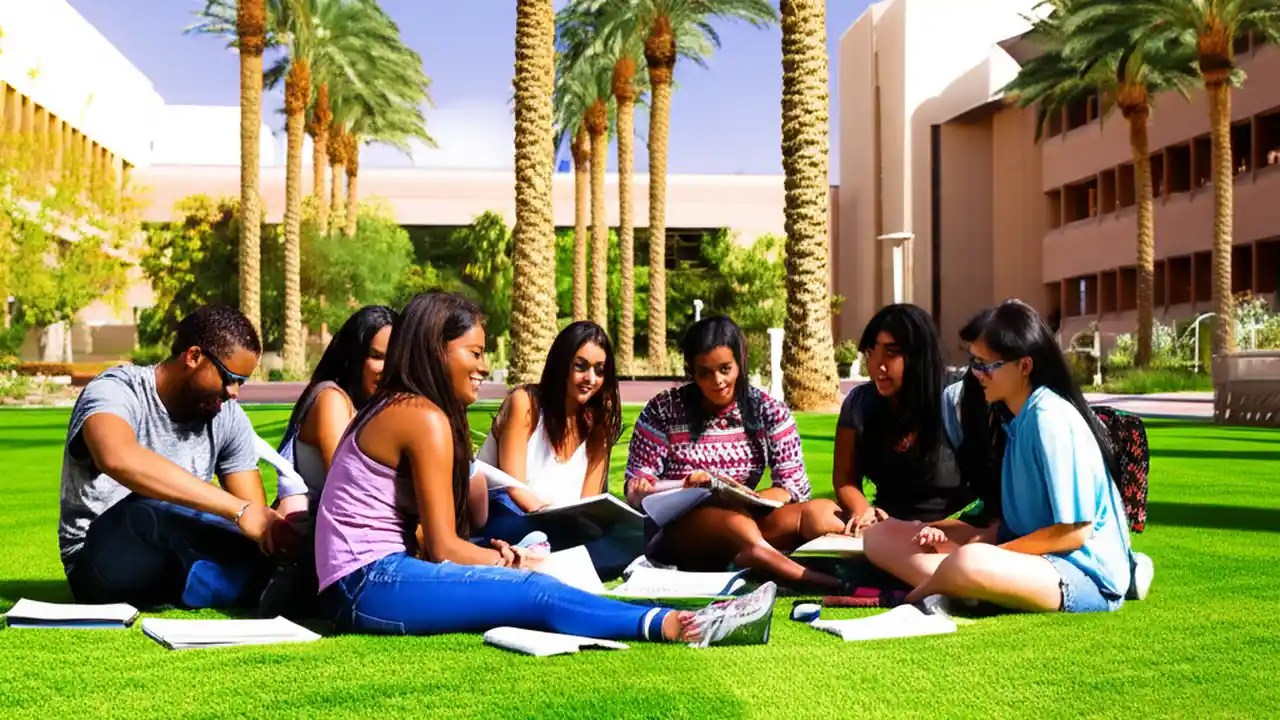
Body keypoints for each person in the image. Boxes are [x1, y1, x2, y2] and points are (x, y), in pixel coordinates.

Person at [314, 292, 777, 645]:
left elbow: (433, 539)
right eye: (474, 353)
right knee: (533, 590)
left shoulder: (409, 408)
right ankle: (678, 626)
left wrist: (497, 555)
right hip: (366, 584)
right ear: (438, 349)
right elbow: (441, 546)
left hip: (373, 577)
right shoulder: (421, 416)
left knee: (530, 578)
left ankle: (694, 612)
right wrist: (506, 562)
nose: (483, 366)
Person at [867, 299, 1137, 613]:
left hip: (1081, 573)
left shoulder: (1050, 419)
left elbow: (1073, 532)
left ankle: (949, 584)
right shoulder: (1015, 419)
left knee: (970, 562)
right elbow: (1014, 525)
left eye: (986, 365)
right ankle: (961, 584)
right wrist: (948, 532)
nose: (976, 373)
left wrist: (990, 553)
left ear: (1024, 366)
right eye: (974, 362)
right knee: (882, 535)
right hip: (1023, 559)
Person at [59, 305, 295, 609]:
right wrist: (238, 510)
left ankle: (241, 584)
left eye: (242, 382)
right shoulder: (116, 390)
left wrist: (274, 530)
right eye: (229, 377)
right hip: (101, 556)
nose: (234, 392)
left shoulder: (227, 416)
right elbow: (116, 457)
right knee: (143, 511)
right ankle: (239, 586)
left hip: (180, 545)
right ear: (194, 356)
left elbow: (252, 517)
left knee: (254, 545)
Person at [624, 316, 844, 590]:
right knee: (730, 519)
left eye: (725, 369)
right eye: (705, 373)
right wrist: (660, 486)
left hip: (750, 516)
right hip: (682, 534)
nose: (717, 381)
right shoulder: (663, 409)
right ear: (691, 371)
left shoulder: (769, 411)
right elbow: (635, 487)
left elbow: (794, 486)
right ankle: (810, 578)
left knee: (820, 512)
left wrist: (750, 496)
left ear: (741, 361)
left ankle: (764, 559)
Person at [475, 321, 638, 575]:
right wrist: (552, 515)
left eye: (599, 370)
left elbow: (590, 505)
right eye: (580, 367)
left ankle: (556, 557)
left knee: (636, 537)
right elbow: (512, 488)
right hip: (511, 518)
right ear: (561, 364)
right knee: (537, 534)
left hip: (563, 528)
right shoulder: (525, 402)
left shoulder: (598, 423)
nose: (590, 379)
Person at [833, 304, 991, 538]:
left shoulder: (958, 397)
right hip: (884, 526)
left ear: (919, 355)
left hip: (951, 529)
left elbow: (989, 486)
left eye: (891, 352)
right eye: (871, 352)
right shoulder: (860, 403)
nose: (878, 364)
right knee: (819, 515)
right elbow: (845, 478)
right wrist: (862, 511)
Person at [276, 305, 398, 513]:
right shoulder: (331, 400)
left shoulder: (379, 406)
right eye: (377, 357)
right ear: (354, 357)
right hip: (317, 537)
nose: (387, 369)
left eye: (394, 358)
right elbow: (348, 488)